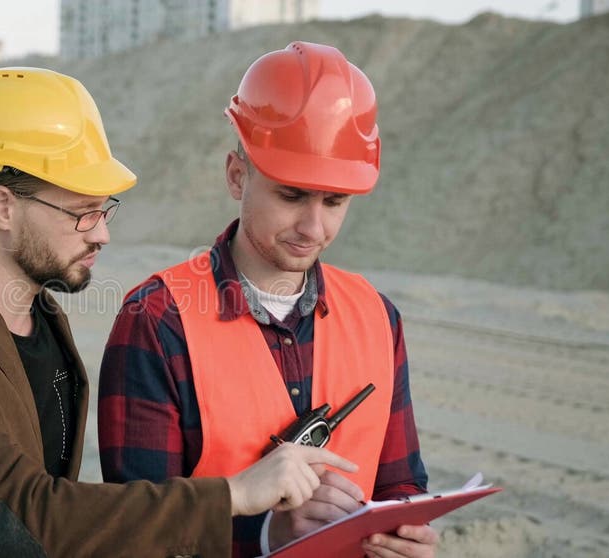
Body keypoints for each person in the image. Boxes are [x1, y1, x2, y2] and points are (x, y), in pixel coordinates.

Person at [0, 66, 358, 558]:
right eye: (82, 213)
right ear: (2, 208)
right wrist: (233, 496)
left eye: (103, 211)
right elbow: (27, 517)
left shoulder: (36, 315)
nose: (103, 233)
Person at [98, 43, 439, 558]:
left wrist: (406, 533)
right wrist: (264, 536)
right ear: (238, 175)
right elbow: (136, 535)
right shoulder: (157, 319)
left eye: (335, 202)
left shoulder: (378, 318)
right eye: (292, 195)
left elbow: (400, 485)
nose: (313, 227)